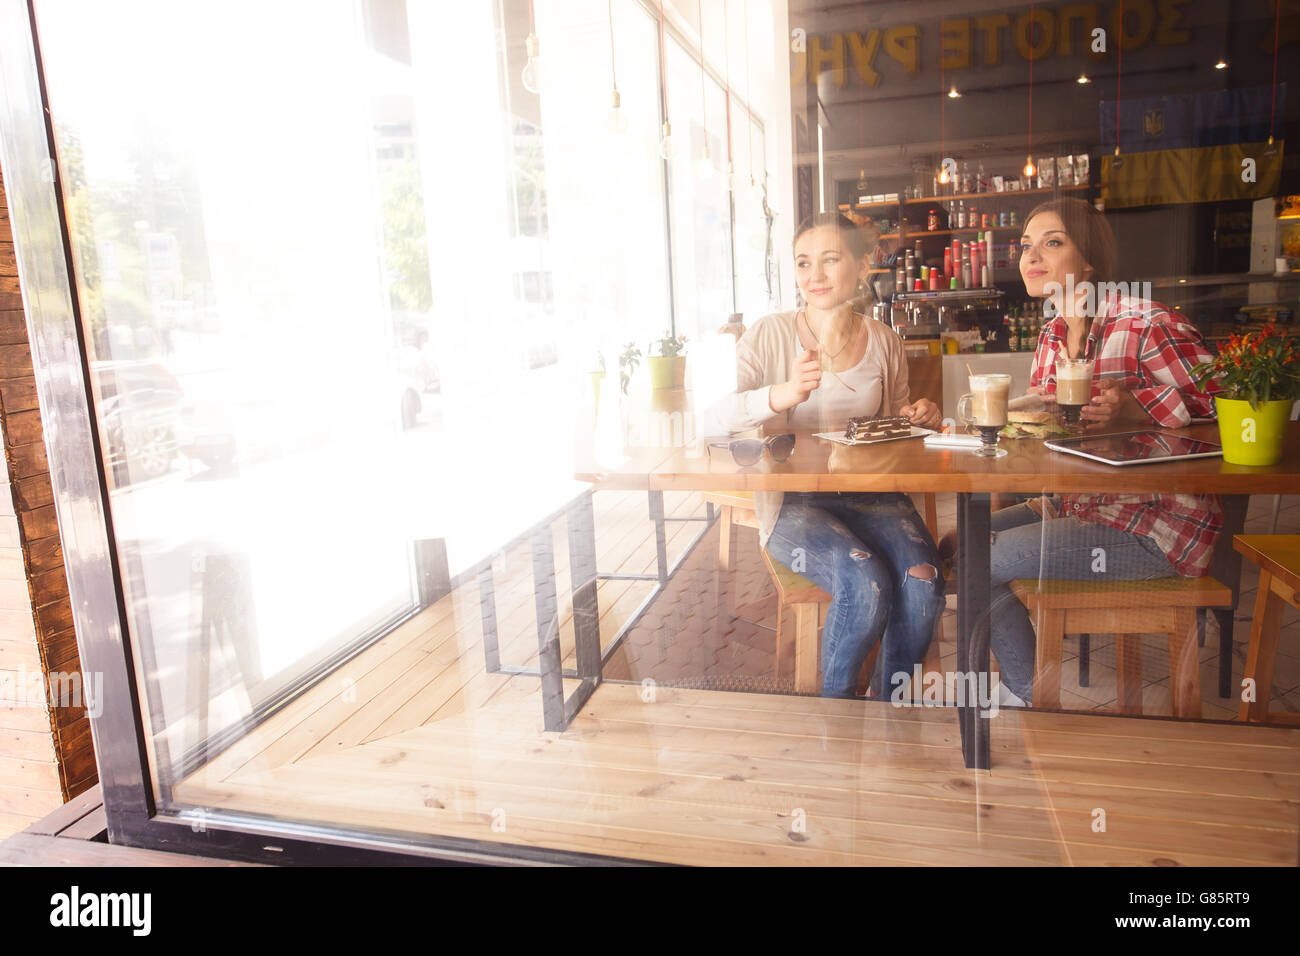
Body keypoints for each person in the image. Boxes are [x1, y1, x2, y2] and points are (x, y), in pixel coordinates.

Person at [985, 198, 1221, 707]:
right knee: (958, 548)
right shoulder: (1052, 335)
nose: (1032, 255)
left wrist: (1139, 406)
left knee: (982, 560)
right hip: (1079, 504)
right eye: (1026, 245)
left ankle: (1030, 699)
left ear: (1088, 260)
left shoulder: (1145, 323)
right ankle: (1029, 688)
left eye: (1053, 242)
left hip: (1153, 526)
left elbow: (1236, 404)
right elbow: (1051, 425)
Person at [703, 212, 945, 699]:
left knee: (924, 582)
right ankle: (837, 716)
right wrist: (784, 393)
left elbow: (897, 426)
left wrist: (920, 415)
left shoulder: (883, 340)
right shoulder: (767, 335)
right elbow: (711, 417)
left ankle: (887, 706)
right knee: (865, 580)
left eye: (830, 260)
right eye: (803, 263)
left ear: (860, 266)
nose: (814, 275)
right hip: (794, 503)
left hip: (876, 498)